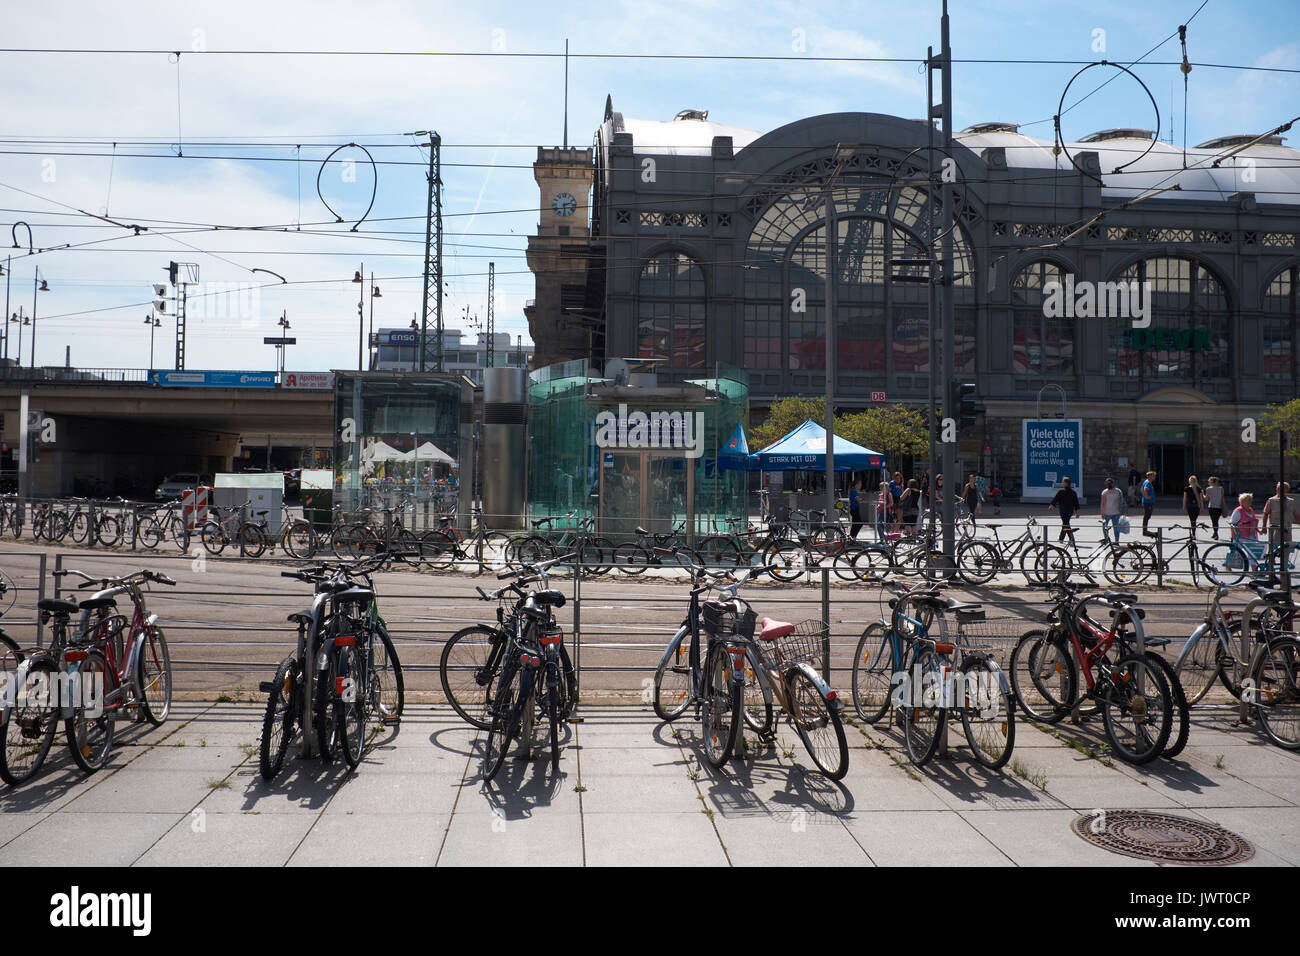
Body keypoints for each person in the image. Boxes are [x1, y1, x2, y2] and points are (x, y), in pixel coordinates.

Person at [1048, 476, 1080, 542]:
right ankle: (1062, 538)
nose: (1062, 483)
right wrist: (1077, 512)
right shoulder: (1073, 492)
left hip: (1063, 511)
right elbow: (1076, 503)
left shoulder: (1061, 492)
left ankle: (1069, 539)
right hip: (1070, 511)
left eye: (1063, 482)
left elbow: (1055, 499)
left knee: (1065, 524)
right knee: (1066, 523)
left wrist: (1051, 505)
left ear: (1066, 483)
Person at [1100, 477, 1125, 543]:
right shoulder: (1118, 491)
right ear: (1113, 483)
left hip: (1106, 512)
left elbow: (1103, 503)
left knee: (1105, 527)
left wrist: (1102, 512)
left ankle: (1106, 539)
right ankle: (1117, 541)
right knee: (1116, 528)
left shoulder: (1104, 492)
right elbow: (1122, 501)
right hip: (1116, 512)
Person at [1141, 470, 1157, 536]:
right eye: (1153, 476)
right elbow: (1145, 489)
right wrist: (1146, 496)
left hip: (1148, 502)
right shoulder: (1148, 483)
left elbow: (1141, 490)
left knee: (1147, 516)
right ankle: (1145, 531)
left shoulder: (1147, 482)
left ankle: (1145, 530)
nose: (1154, 477)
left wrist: (1144, 496)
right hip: (1148, 502)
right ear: (1150, 476)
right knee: (1147, 516)